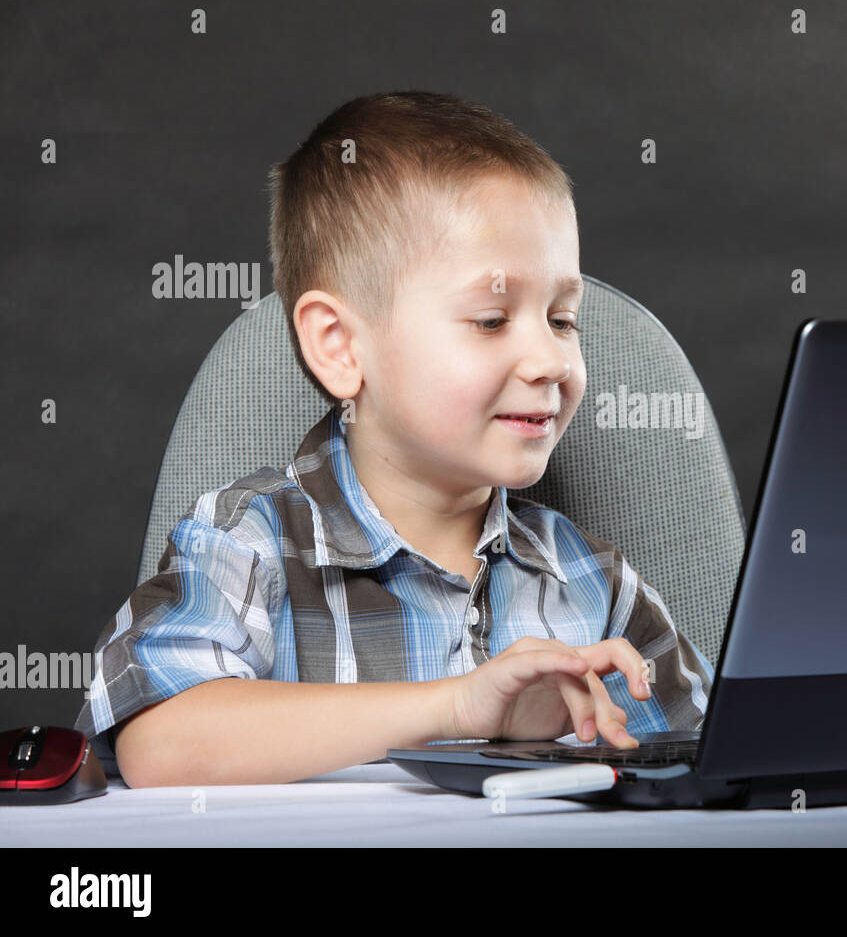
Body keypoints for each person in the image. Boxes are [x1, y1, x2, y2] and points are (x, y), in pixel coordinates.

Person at [73, 91, 713, 787]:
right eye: (493, 319)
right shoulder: (247, 542)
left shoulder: (593, 585)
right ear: (341, 347)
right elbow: (160, 744)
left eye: (563, 320)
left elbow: (722, 764)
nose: (553, 361)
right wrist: (455, 707)